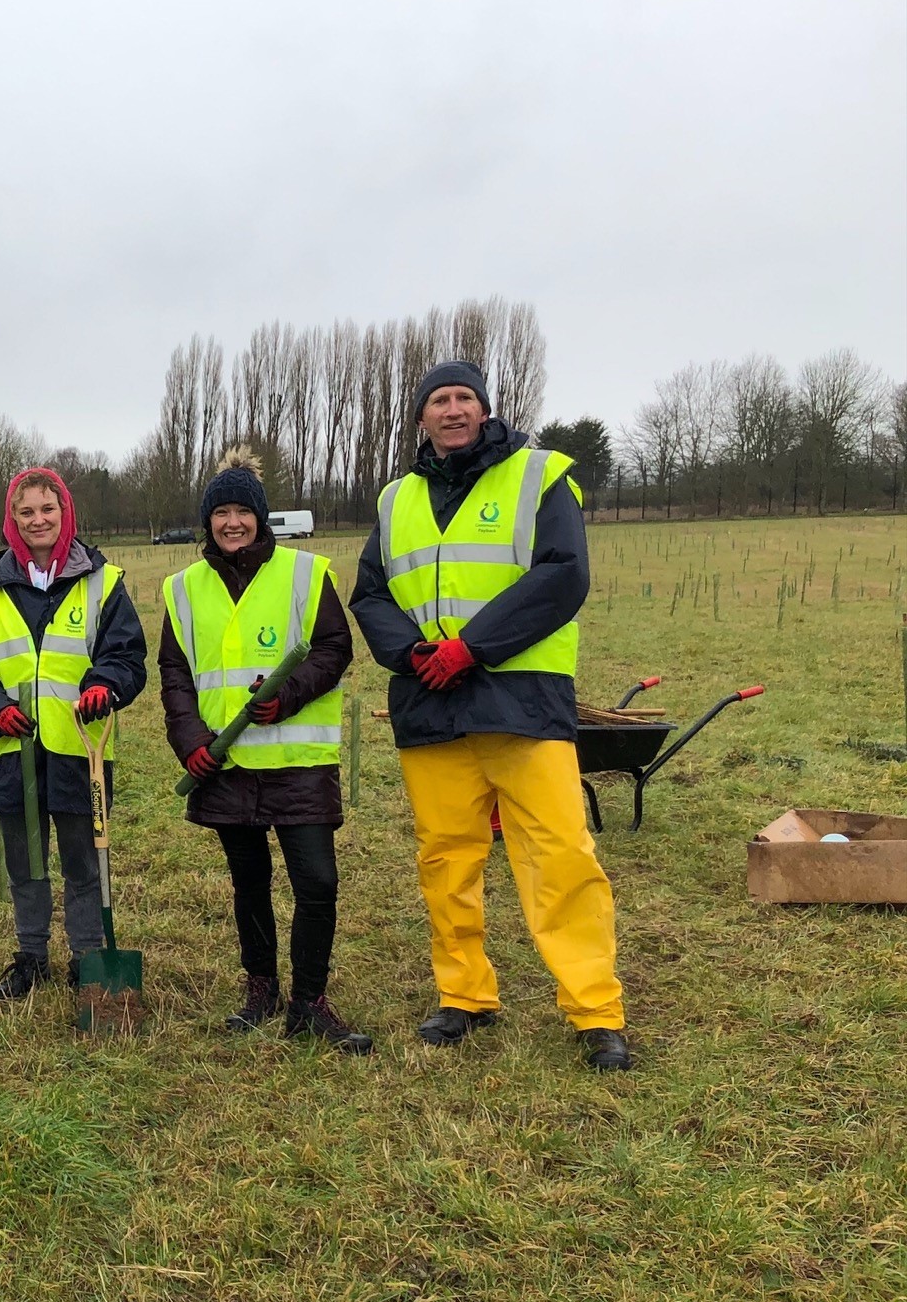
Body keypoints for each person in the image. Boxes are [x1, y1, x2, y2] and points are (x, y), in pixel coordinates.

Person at [348, 360, 630, 1071]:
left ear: (484, 409)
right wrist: (413, 653)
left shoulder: (540, 476)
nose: (452, 409)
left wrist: (472, 648)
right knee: (446, 858)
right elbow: (371, 593)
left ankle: (596, 1012)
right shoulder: (394, 500)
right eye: (438, 400)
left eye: (463, 397)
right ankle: (465, 994)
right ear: (420, 417)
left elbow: (563, 573)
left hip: (520, 702)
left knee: (561, 856)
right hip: (431, 703)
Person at [158, 450, 370, 1053]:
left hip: (297, 762)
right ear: (208, 522)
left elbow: (333, 649)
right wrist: (191, 741)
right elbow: (175, 673)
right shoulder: (182, 589)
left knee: (316, 882)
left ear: (260, 517)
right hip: (226, 765)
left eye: (242, 512)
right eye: (221, 512)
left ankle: (309, 1002)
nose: (232, 523)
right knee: (247, 881)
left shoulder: (306, 574)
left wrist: (291, 696)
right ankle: (260, 989)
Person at [0, 466, 146, 1001]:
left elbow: (127, 656)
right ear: (13, 519)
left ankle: (86, 958)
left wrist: (106, 684)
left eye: (47, 510)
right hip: (16, 750)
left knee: (83, 859)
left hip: (82, 750)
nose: (38, 520)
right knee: (25, 862)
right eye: (26, 511)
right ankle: (31, 958)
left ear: (65, 513)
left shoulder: (104, 581)